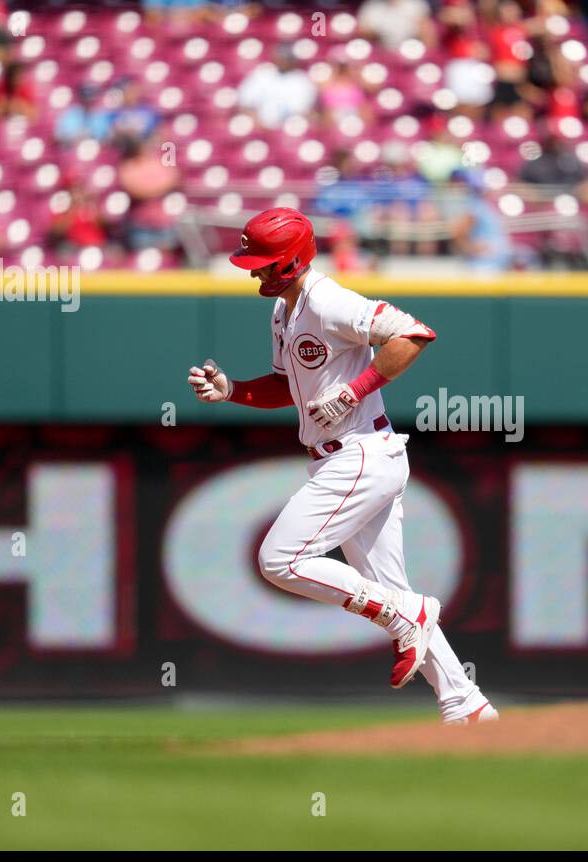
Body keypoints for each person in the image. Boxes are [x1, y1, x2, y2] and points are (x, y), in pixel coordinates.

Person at [186, 208, 497, 726]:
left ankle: (406, 616)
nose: (253, 270)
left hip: (358, 454)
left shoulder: (328, 301)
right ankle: (466, 705)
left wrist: (355, 390)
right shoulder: (285, 311)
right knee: (387, 584)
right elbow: (285, 385)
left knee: (279, 559)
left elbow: (414, 334)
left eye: (263, 261)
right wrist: (232, 391)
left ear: (292, 259)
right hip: (350, 457)